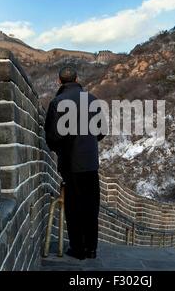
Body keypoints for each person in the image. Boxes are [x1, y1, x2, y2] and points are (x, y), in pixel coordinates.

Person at [44, 65, 106, 260]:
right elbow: (101, 131)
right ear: (77, 79)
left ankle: (78, 249)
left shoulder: (57, 102)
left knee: (73, 206)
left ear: (59, 81)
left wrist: (61, 149)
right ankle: (91, 248)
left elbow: (52, 137)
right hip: (90, 162)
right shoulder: (93, 100)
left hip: (70, 162)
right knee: (91, 205)